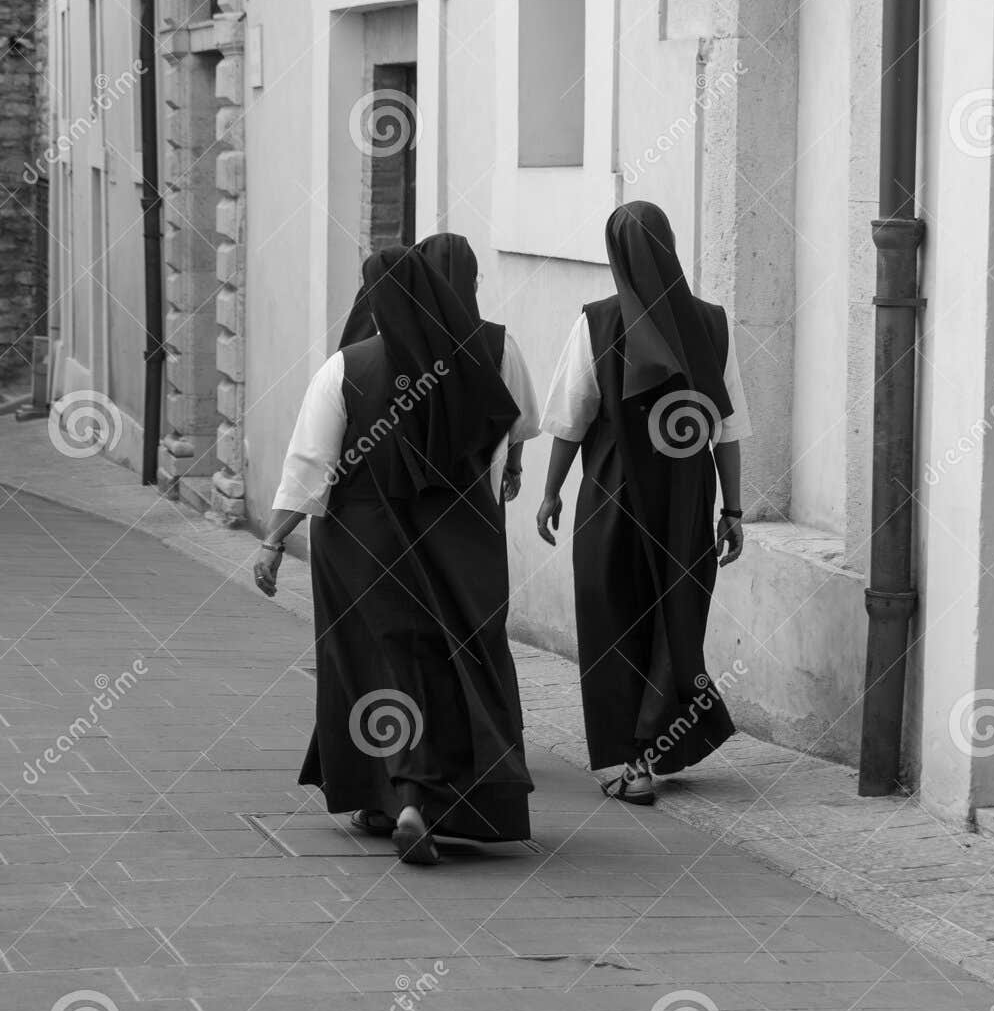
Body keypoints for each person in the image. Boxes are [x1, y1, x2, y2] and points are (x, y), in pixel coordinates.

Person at [254, 247, 534, 864]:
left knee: (376, 662)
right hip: (462, 541)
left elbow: (310, 466)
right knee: (458, 661)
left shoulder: (346, 367)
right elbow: (520, 427)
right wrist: (505, 470)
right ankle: (446, 801)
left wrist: (273, 542)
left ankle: (394, 798)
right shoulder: (494, 351)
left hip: (362, 543)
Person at [537, 200, 749, 805]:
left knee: (612, 615)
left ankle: (630, 761)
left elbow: (571, 419)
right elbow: (727, 427)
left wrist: (551, 491)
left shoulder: (596, 323)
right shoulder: (711, 324)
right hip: (685, 501)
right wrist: (731, 510)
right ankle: (652, 750)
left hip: (611, 495)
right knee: (673, 617)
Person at [416, 232, 539, 503]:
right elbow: (520, 421)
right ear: (472, 285)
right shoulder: (500, 344)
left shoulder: (398, 341)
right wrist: (513, 469)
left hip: (409, 497)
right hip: (478, 496)